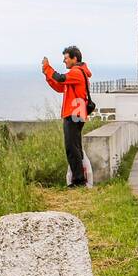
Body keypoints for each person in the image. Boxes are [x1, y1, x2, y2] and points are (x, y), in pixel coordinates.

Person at [41, 46, 92, 187]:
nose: (64, 61)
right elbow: (60, 86)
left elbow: (61, 78)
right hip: (77, 112)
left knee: (72, 147)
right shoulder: (78, 73)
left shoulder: (76, 72)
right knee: (75, 146)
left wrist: (47, 68)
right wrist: (48, 76)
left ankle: (78, 180)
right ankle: (80, 178)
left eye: (66, 58)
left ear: (74, 58)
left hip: (74, 113)